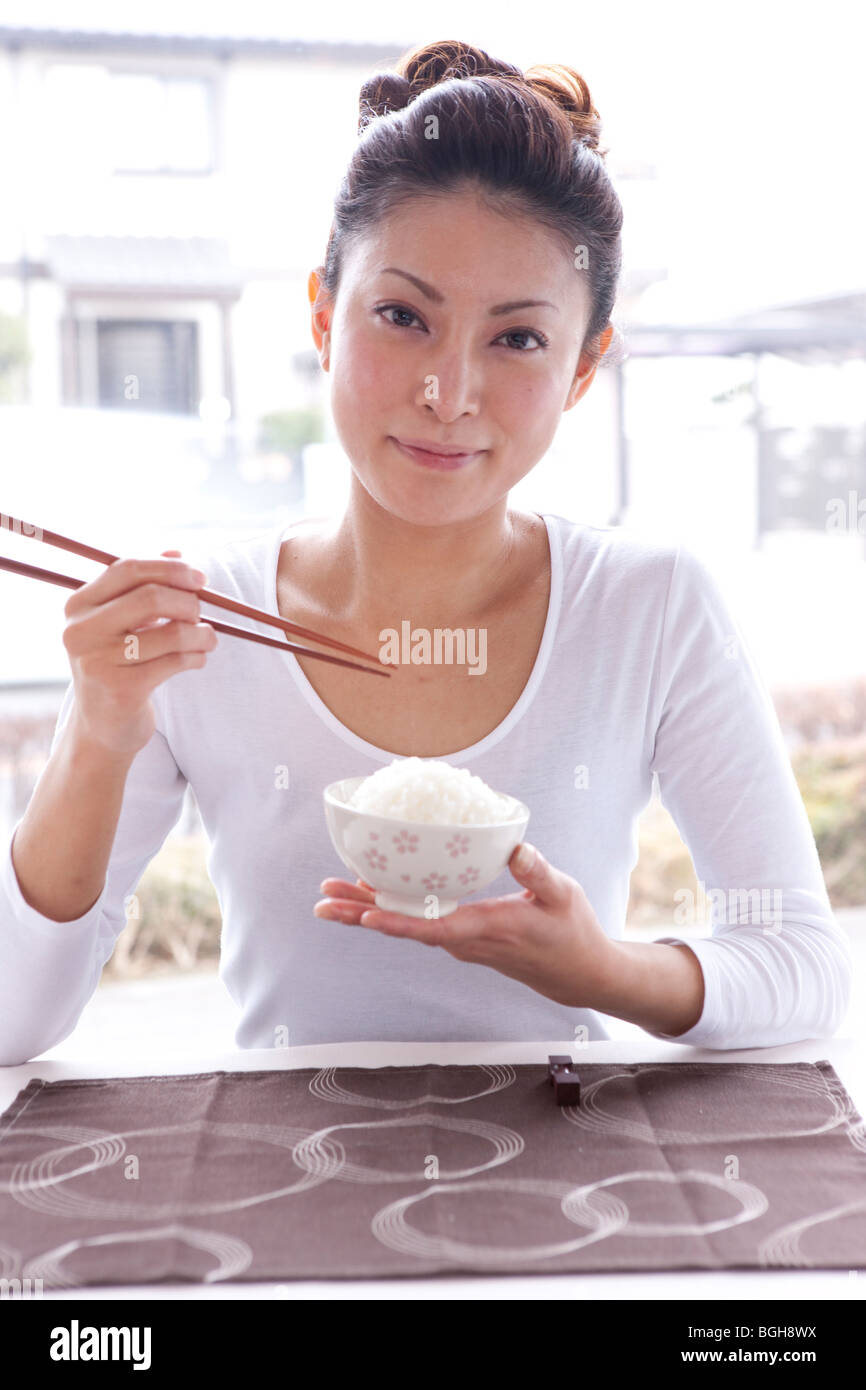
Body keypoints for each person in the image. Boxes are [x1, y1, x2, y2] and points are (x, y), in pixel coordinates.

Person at [0, 39, 851, 1066]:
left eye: (517, 339)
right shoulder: (199, 615)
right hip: (276, 1192)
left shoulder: (649, 604)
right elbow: (14, 1021)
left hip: (569, 1189)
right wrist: (97, 726)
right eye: (402, 316)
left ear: (585, 369)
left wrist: (601, 970)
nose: (448, 392)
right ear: (321, 314)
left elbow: (801, 968)